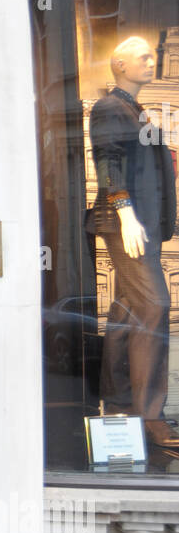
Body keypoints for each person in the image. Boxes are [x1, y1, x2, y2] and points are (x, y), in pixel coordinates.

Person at [86, 35, 179, 448]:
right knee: (154, 306)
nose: (151, 60)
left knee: (126, 313)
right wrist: (124, 212)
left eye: (152, 55)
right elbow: (107, 159)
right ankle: (149, 415)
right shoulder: (110, 107)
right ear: (119, 64)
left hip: (144, 226)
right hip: (129, 225)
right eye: (142, 56)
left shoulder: (134, 110)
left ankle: (119, 403)